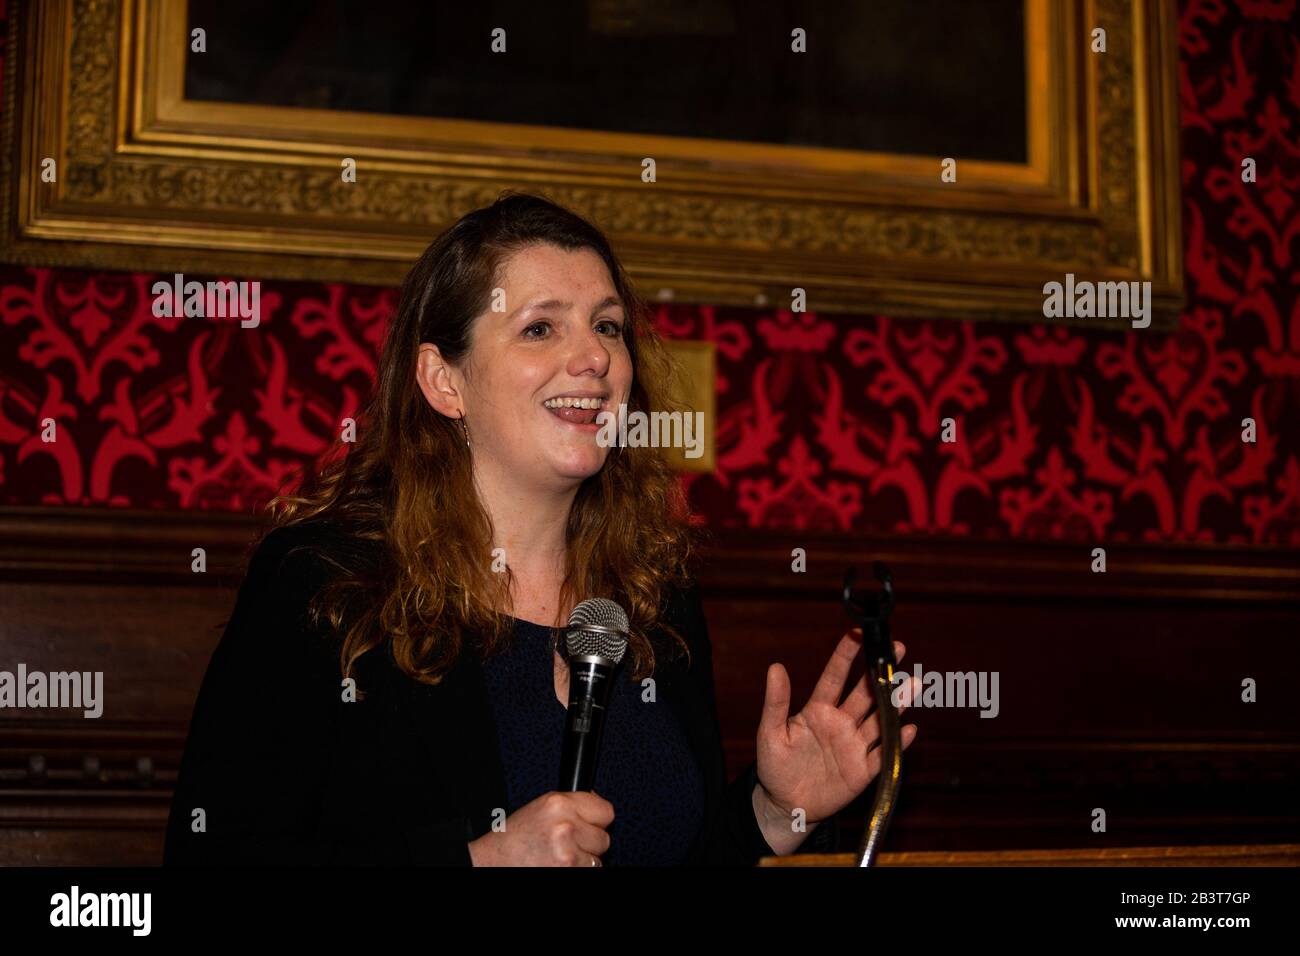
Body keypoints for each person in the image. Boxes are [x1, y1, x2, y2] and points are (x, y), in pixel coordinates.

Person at [163, 191, 918, 867]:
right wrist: (479, 864)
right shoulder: (327, 581)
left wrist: (773, 811)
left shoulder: (655, 595)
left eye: (607, 326)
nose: (593, 357)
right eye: (539, 329)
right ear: (443, 380)